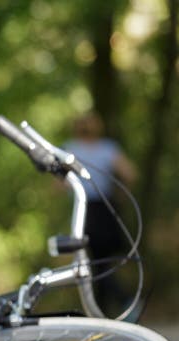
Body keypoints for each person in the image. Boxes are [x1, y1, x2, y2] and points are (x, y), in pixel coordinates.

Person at [64, 112, 137, 314]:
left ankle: (121, 303)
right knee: (100, 262)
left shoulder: (72, 149)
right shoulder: (107, 148)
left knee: (97, 263)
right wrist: (121, 195)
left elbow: (59, 185)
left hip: (87, 211)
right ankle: (106, 311)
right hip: (104, 208)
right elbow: (130, 173)